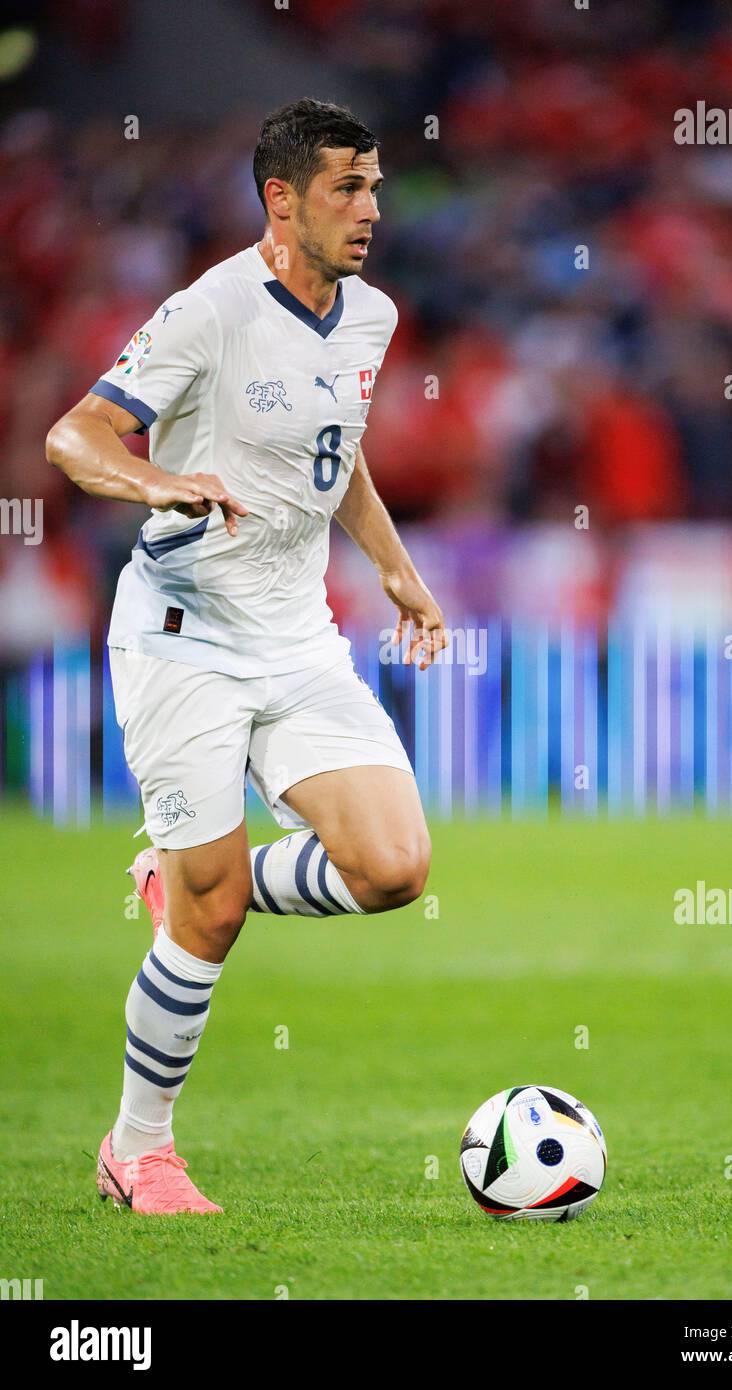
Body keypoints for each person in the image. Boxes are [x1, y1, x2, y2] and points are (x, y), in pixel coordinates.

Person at [45, 98, 446, 1215]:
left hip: (296, 632)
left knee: (393, 868)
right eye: (344, 190)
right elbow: (73, 434)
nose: (369, 209)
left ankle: (183, 878)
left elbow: (339, 452)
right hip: (182, 638)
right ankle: (140, 1150)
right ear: (281, 199)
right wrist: (158, 478)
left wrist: (393, 566)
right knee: (210, 918)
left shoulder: (368, 316)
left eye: (373, 186)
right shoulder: (210, 311)